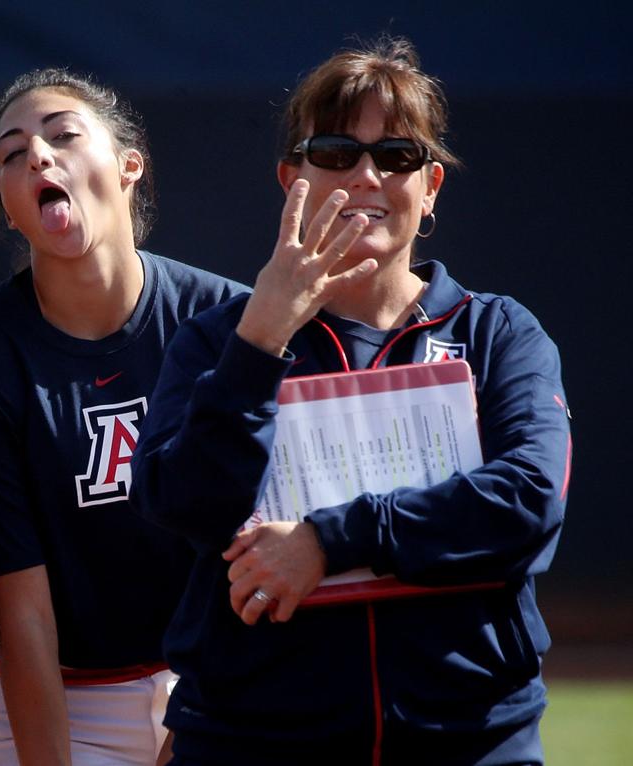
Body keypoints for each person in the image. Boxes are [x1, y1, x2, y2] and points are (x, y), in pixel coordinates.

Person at [129, 37, 571, 765]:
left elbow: (528, 502)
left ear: (430, 187)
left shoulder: (497, 332)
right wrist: (260, 340)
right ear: (291, 178)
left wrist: (327, 542)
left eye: (396, 157)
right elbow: (184, 506)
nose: (366, 174)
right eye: (335, 151)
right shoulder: (222, 339)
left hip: (466, 739)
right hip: (254, 737)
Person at [0, 69, 248, 766]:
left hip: (221, 683)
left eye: (63, 135)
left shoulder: (228, 326)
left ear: (130, 165)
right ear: (8, 208)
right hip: (65, 704)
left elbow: (253, 554)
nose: (38, 156)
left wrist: (193, 727)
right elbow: (24, 619)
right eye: (12, 154)